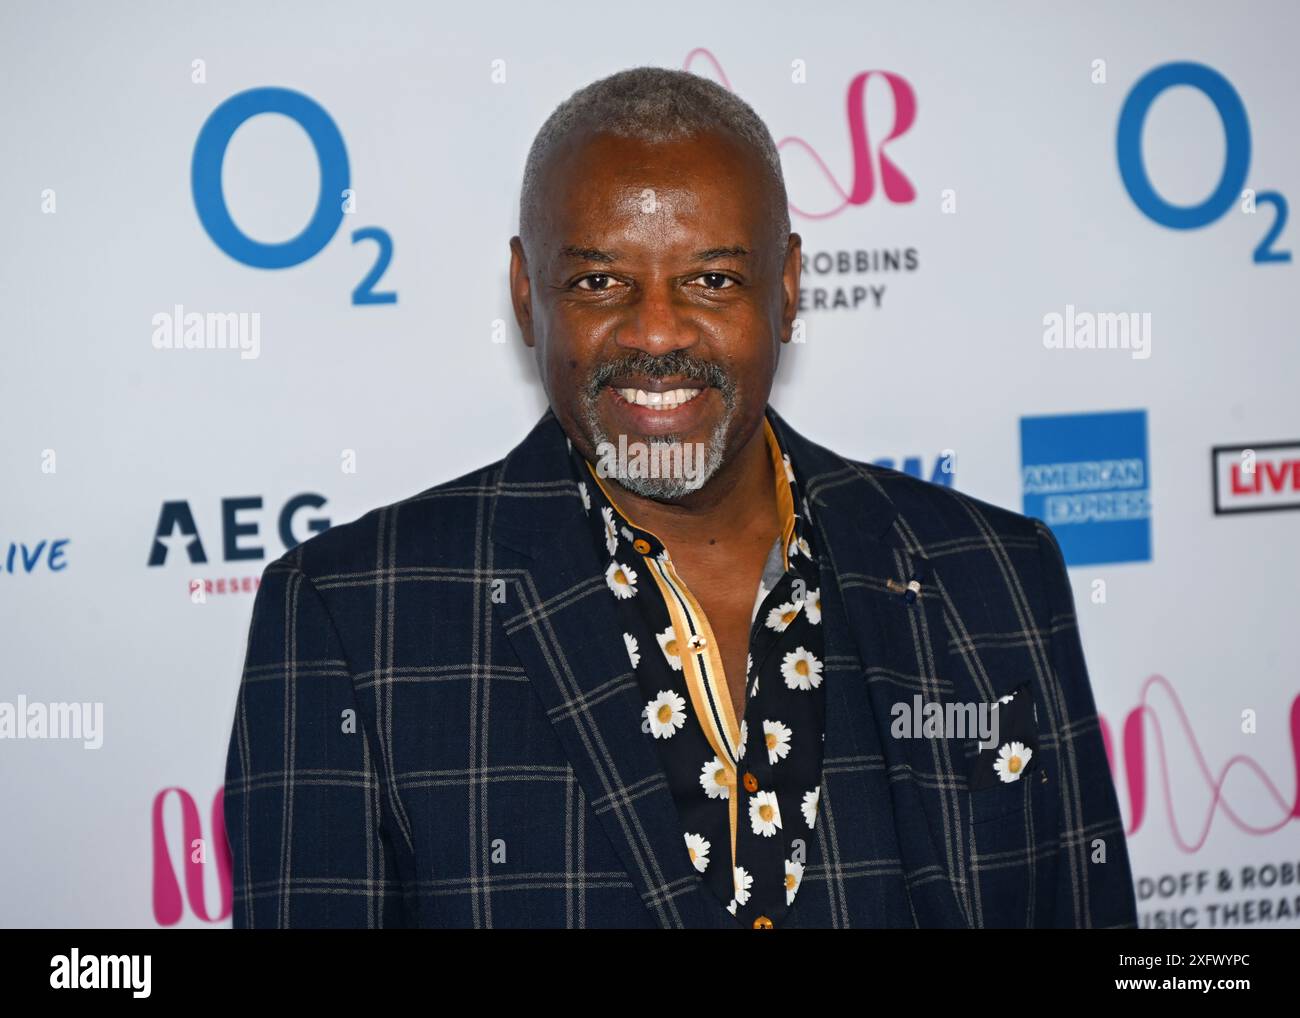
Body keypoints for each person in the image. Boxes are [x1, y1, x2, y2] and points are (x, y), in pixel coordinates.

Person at [223, 65, 1137, 929]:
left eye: (711, 279)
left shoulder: (996, 577)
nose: (656, 329)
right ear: (526, 295)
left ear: (785, 289)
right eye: (598, 281)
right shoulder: (354, 617)